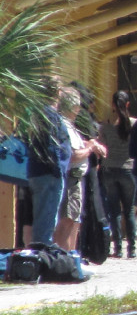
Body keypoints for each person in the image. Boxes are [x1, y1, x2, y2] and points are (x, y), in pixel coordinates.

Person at [54, 86, 106, 252]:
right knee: (67, 220)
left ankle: (70, 256)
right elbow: (74, 155)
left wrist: (89, 144)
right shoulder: (65, 125)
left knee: (74, 219)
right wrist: (90, 149)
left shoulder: (68, 125)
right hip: (71, 178)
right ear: (73, 107)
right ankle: (62, 256)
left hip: (75, 179)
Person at [26, 80, 71, 246]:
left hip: (39, 172)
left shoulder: (36, 113)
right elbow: (51, 145)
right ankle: (41, 255)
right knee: (46, 218)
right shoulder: (48, 114)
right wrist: (57, 170)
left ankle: (41, 251)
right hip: (48, 174)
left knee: (43, 216)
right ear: (57, 92)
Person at [99, 91, 137, 258]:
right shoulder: (135, 124)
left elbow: (102, 149)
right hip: (128, 169)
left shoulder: (106, 128)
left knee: (114, 209)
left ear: (113, 106)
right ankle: (132, 248)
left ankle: (118, 248)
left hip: (109, 169)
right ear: (128, 104)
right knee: (129, 210)